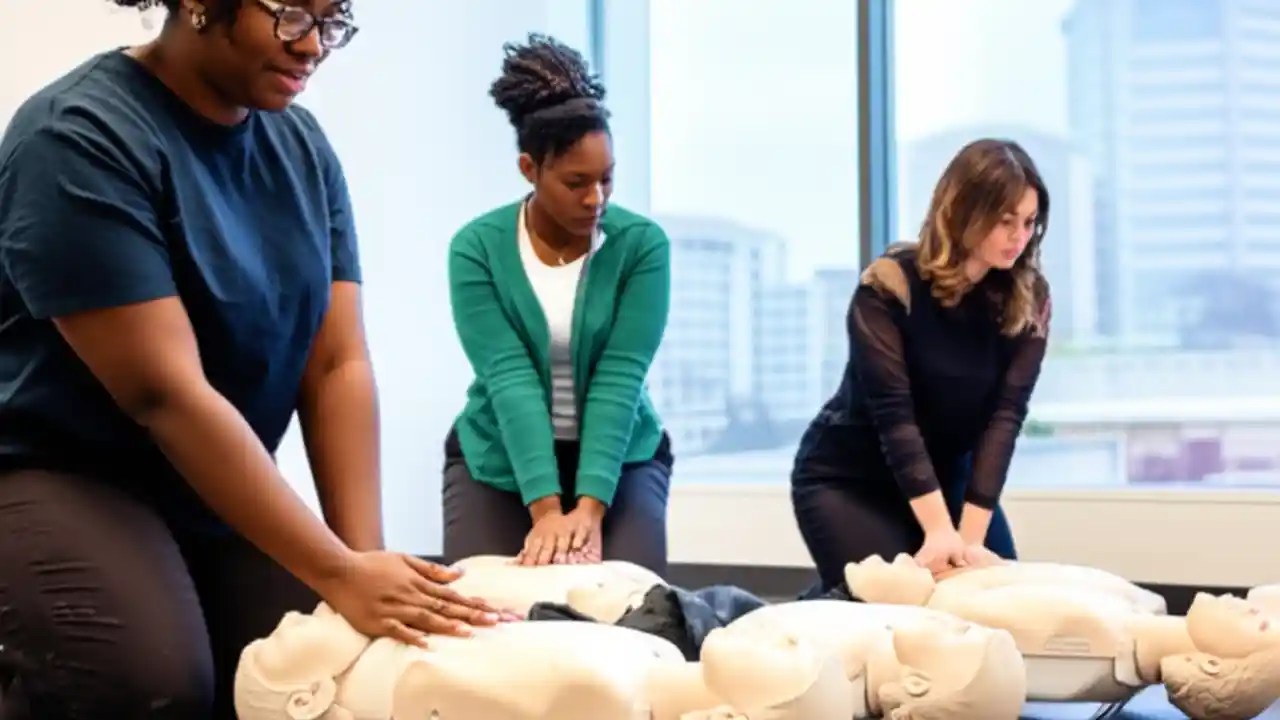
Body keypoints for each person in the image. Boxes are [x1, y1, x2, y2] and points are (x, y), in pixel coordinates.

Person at [0, 2, 503, 718]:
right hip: (61, 473)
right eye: (294, 15)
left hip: (210, 482)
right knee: (148, 681)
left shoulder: (299, 146)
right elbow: (165, 394)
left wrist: (361, 563)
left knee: (333, 665)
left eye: (334, 22)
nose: (314, 47)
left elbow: (336, 364)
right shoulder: (77, 137)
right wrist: (334, 569)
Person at [443, 34, 674, 578]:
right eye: (576, 182)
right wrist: (546, 512)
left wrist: (589, 508)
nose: (596, 198)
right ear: (530, 168)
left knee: (630, 609)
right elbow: (508, 376)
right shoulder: (476, 248)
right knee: (490, 611)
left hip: (622, 457)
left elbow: (620, 375)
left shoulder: (642, 246)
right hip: (499, 458)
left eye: (606, 178)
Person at [791, 138, 1053, 593]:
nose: (1019, 236)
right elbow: (895, 416)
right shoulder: (891, 284)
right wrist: (937, 532)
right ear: (963, 211)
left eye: (1029, 222)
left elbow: (1005, 418)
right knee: (895, 607)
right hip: (850, 478)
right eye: (1004, 220)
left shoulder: (1031, 298)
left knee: (991, 600)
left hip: (950, 473)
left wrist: (967, 543)